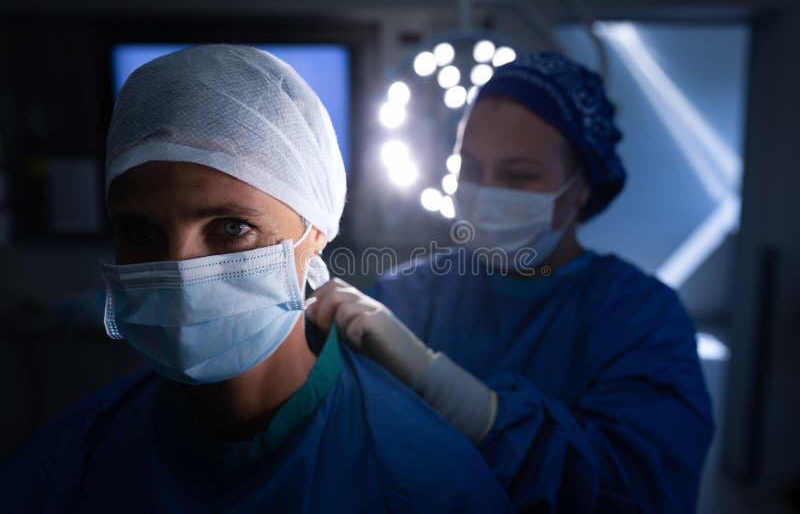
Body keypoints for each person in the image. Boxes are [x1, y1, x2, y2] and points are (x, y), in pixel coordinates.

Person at [0, 45, 513, 512]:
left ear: (314, 232)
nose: (180, 268)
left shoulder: (425, 482)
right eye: (140, 230)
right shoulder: (66, 468)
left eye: (232, 227)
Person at [306, 52, 714, 513]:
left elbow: (637, 490)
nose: (487, 192)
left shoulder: (641, 319)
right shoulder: (406, 293)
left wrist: (447, 390)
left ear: (582, 185)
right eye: (471, 171)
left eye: (518, 177)